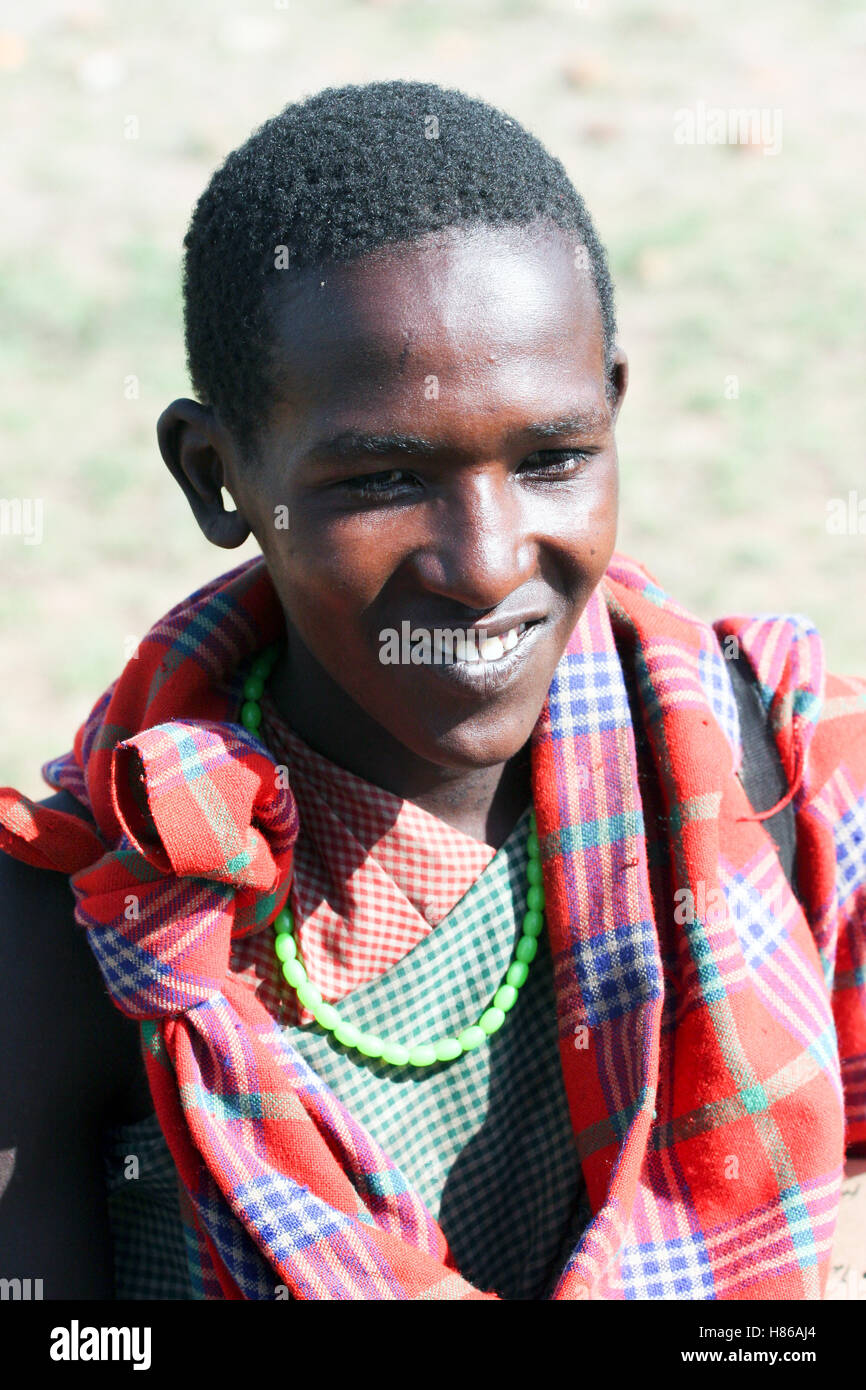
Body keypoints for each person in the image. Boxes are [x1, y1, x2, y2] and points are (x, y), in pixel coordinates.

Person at [1, 80, 864, 1302]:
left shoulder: (774, 782)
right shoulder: (84, 932)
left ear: (613, 406)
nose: (488, 562)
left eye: (552, 457)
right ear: (217, 475)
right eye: (383, 479)